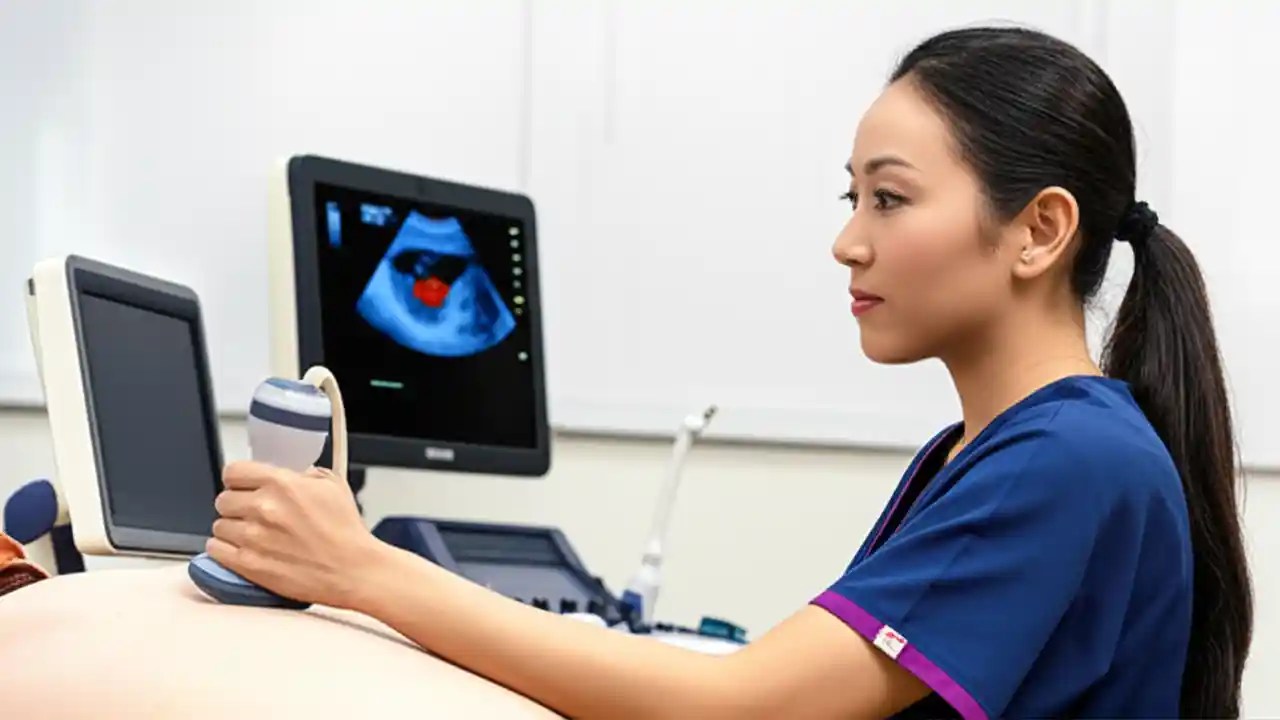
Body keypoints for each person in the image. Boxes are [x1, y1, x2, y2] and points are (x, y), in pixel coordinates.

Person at [205, 26, 1253, 719]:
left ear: (1039, 231)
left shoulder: (1067, 461)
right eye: (849, 198)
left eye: (888, 200)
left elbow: (739, 707)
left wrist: (362, 571)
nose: (847, 242)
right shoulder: (996, 451)